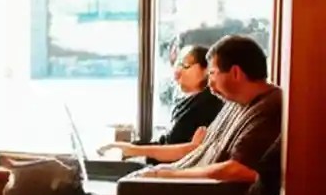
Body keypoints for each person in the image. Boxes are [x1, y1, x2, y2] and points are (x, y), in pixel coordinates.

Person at [131, 35, 281, 182]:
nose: (209, 84)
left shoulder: (269, 107)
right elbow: (201, 150)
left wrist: (167, 176)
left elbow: (236, 169)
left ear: (235, 73)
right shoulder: (234, 103)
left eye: (212, 74)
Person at [99, 44, 223, 161]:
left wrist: (133, 150)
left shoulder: (206, 105)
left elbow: (178, 150)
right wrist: (129, 148)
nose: (177, 73)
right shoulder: (191, 101)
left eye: (185, 66)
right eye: (177, 66)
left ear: (206, 70)